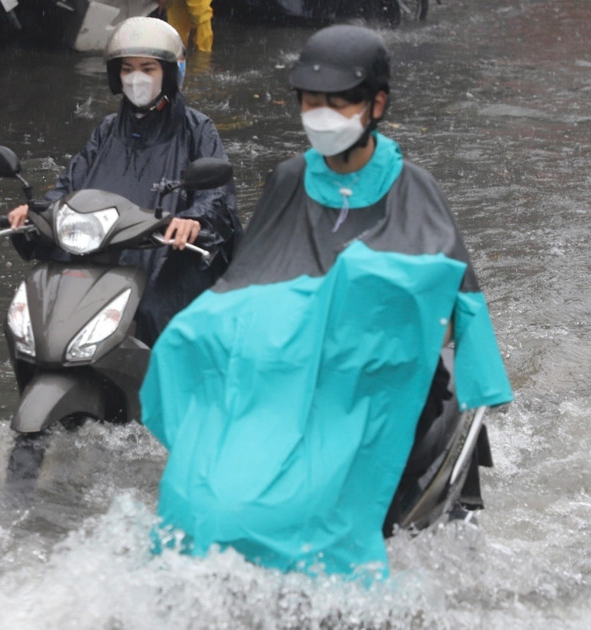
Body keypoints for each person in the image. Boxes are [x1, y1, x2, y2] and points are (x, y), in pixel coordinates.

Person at [139, 25, 513, 578]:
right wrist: (198, 330)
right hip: (293, 369)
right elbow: (246, 280)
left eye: (338, 103)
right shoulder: (289, 179)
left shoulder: (414, 188)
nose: (322, 115)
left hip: (379, 377)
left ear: (376, 104)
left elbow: (454, 297)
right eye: (312, 103)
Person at [7, 16, 240, 347]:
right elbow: (70, 185)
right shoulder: (106, 130)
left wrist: (193, 219)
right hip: (97, 254)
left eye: (148, 68)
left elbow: (216, 195)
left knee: (157, 312)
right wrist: (35, 211)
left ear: (170, 72)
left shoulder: (197, 129)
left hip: (165, 260)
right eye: (127, 69)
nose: (136, 78)